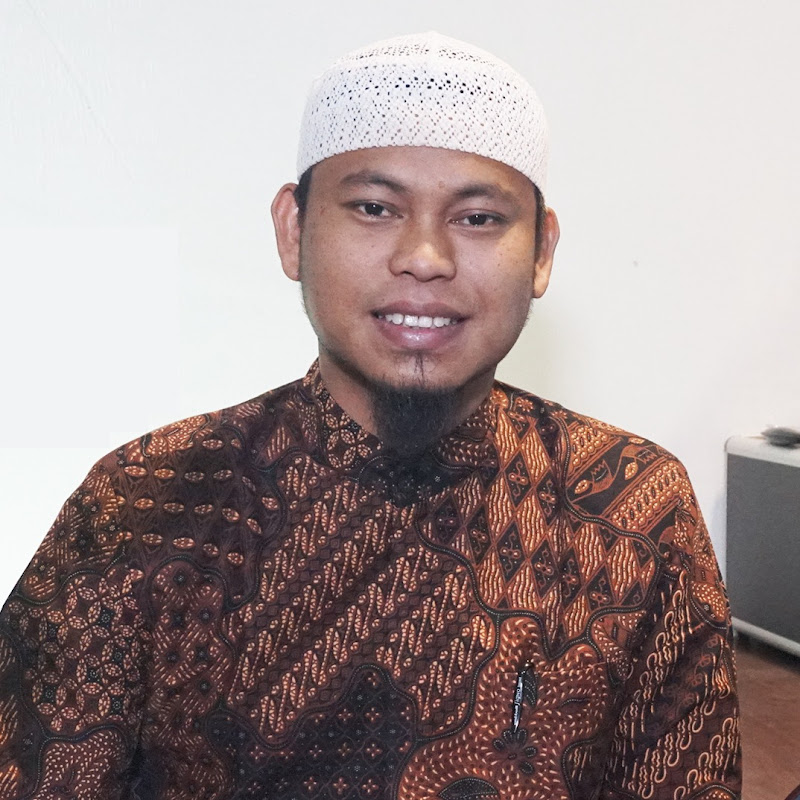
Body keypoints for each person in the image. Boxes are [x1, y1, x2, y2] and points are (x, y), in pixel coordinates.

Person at [0, 32, 740, 800]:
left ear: (542, 251)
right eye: (375, 208)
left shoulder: (631, 505)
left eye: (479, 218)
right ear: (294, 230)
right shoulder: (146, 500)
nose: (425, 256)